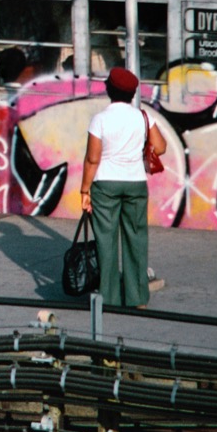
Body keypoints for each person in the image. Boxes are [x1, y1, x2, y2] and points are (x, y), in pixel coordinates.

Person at [79, 66, 167, 308]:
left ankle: (108, 298)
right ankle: (138, 298)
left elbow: (92, 159)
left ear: (109, 90)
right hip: (136, 183)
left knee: (106, 241)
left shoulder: (100, 119)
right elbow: (160, 147)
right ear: (132, 93)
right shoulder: (142, 116)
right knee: (137, 239)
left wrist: (85, 190)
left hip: (105, 185)